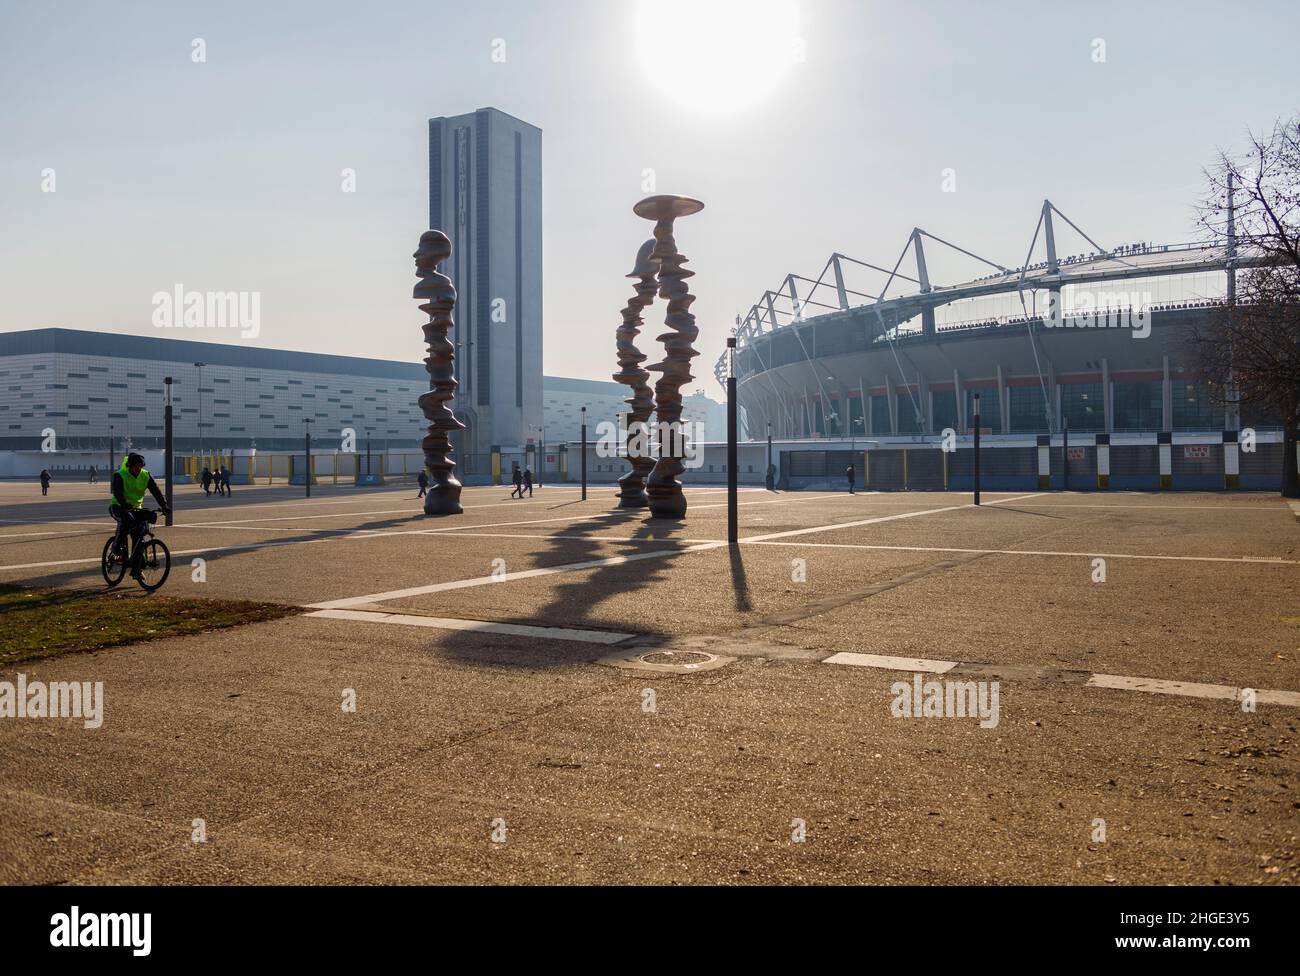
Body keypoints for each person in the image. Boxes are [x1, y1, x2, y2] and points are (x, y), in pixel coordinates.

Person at [110, 453, 169, 582]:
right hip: (118, 506)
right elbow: (117, 492)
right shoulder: (120, 475)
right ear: (129, 465)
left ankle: (136, 570)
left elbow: (156, 491)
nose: (138, 469)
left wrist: (164, 505)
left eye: (140, 466)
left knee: (140, 533)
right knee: (126, 521)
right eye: (136, 466)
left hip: (136, 508)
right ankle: (116, 549)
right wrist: (124, 504)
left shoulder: (145, 475)